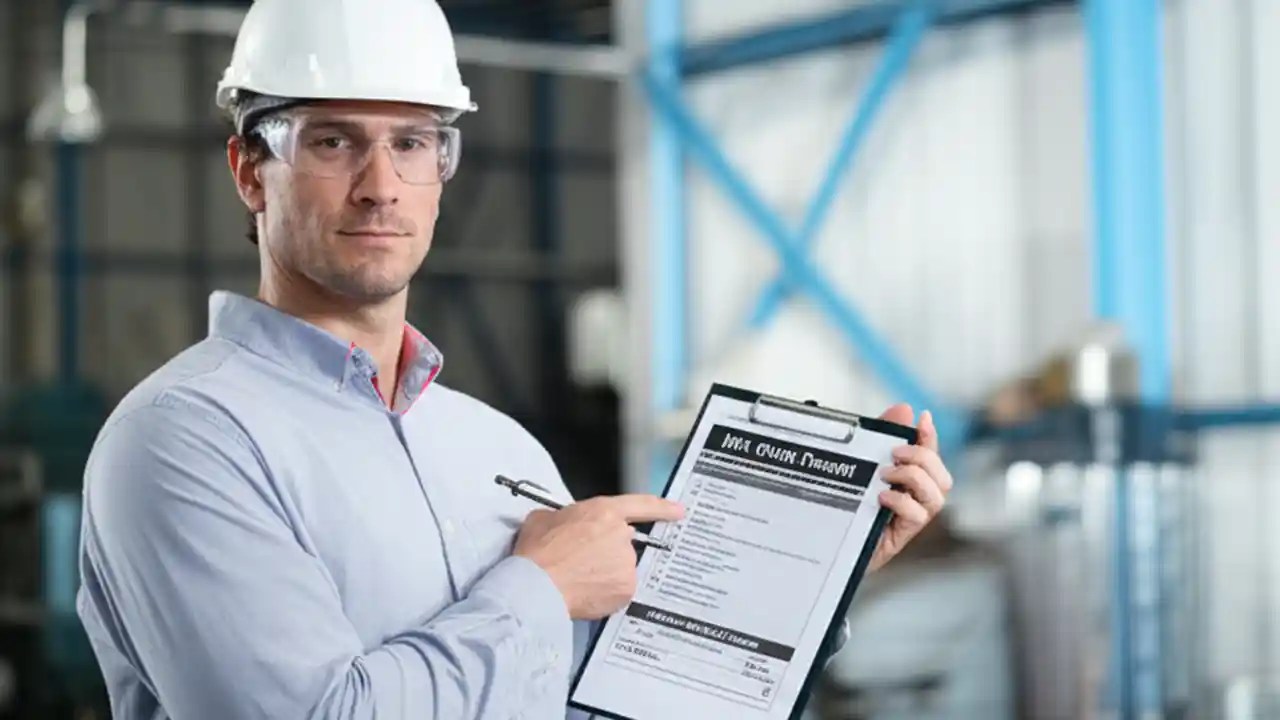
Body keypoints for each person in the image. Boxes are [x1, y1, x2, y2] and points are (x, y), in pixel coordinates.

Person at [74, 1, 955, 718]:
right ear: (248, 169)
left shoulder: (498, 452)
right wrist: (537, 589)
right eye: (333, 140)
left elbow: (614, 701)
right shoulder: (184, 441)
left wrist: (816, 568)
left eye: (414, 142)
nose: (381, 184)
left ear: (443, 167)